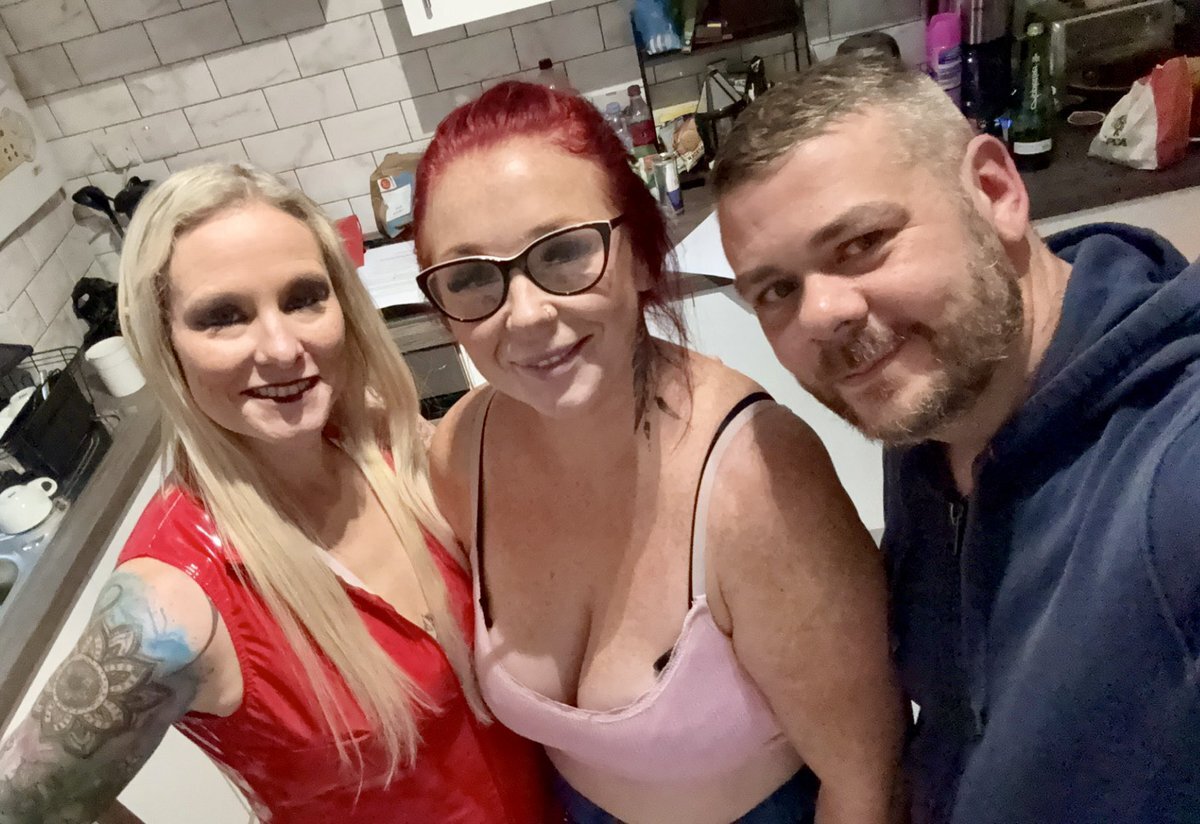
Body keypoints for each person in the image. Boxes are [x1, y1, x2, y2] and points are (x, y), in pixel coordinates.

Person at [713, 56, 1200, 824]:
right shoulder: (933, 420)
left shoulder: (1176, 472)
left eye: (862, 242)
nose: (821, 315)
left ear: (995, 192)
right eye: (777, 289)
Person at [414, 81, 905, 824]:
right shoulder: (463, 452)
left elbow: (868, 784)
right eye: (471, 278)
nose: (526, 315)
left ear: (643, 257)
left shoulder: (756, 487)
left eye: (566, 251)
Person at [0, 164, 549, 823]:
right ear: (165, 343)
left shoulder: (392, 449)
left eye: (303, 298)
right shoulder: (167, 605)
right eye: (223, 317)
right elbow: (19, 809)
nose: (283, 347)